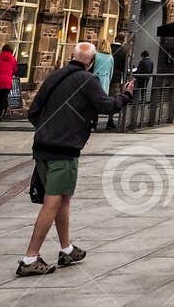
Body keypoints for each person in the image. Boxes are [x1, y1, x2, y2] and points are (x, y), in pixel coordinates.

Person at [17, 41, 134, 277]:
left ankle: (66, 249)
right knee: (53, 202)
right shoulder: (88, 80)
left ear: (72, 56)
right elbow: (107, 106)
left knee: (63, 199)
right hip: (64, 151)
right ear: (91, 63)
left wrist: (47, 131)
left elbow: (33, 111)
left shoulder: (54, 76)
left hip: (42, 148)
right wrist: (126, 95)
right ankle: (30, 258)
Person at [92, 41, 116, 130]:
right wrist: (108, 81)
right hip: (105, 81)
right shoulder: (110, 57)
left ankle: (94, 123)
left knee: (92, 102)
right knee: (102, 101)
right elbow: (111, 72)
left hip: (95, 78)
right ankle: (109, 121)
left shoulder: (96, 55)